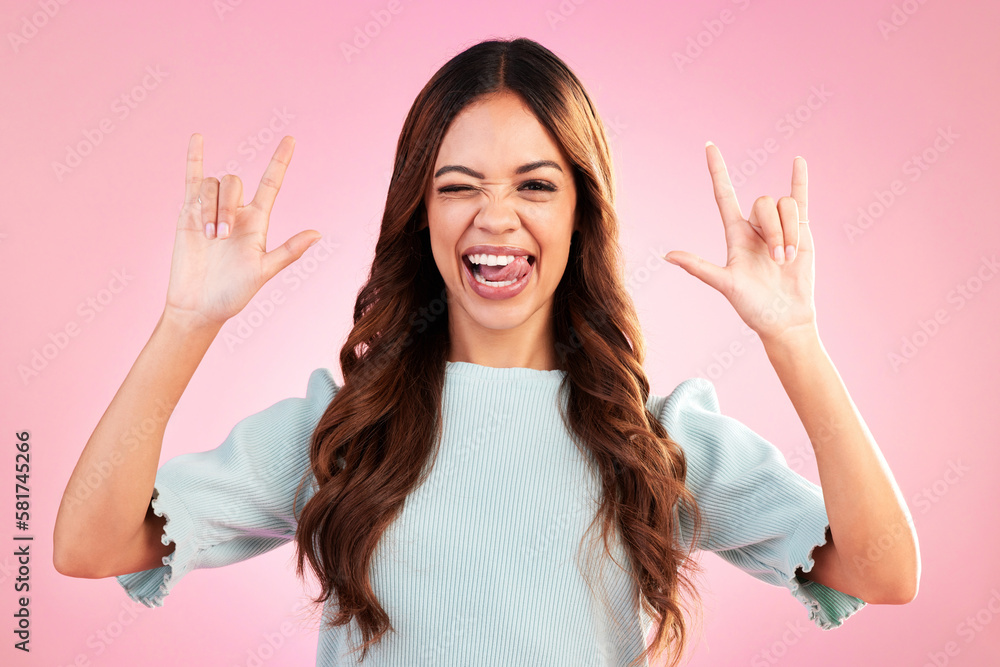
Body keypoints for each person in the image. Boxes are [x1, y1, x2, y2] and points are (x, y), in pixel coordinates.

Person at [53, 37, 919, 666]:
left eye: (535, 185)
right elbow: (90, 543)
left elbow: (882, 569)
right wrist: (187, 321)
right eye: (457, 186)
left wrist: (794, 339)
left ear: (581, 212)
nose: (495, 217)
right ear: (420, 214)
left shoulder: (653, 440)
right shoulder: (342, 431)